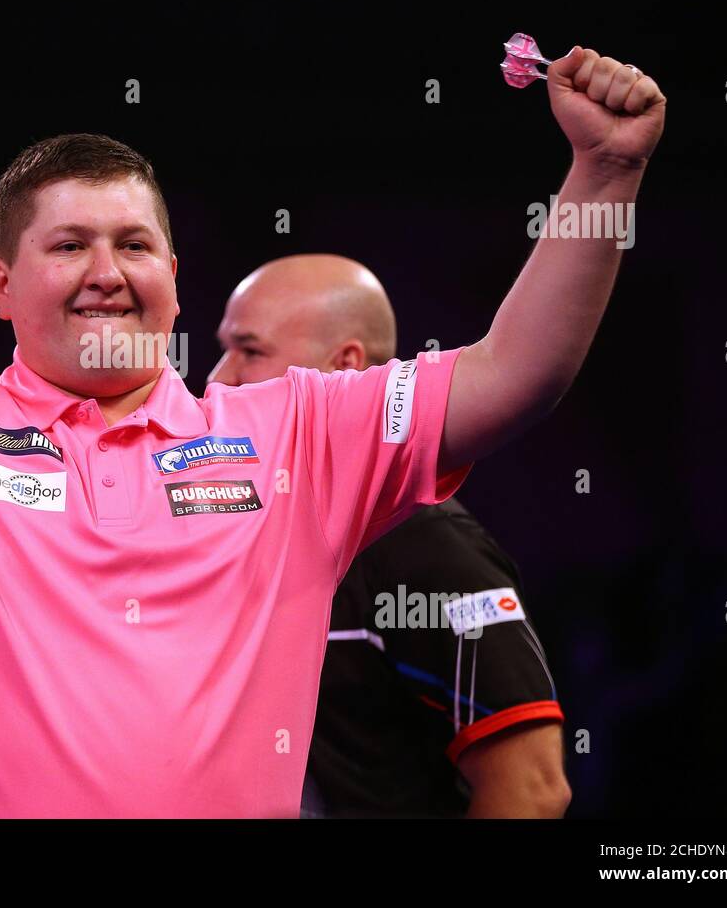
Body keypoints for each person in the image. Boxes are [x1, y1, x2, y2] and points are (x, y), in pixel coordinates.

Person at [0, 0, 665, 817]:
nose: (106, 269)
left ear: (175, 275)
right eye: (69, 244)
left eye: (135, 243)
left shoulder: (295, 433)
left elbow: (515, 372)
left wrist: (604, 173)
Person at [209, 255, 569, 817]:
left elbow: (532, 790)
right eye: (225, 348)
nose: (218, 378)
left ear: (343, 365)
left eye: (250, 351)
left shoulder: (432, 550)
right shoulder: (243, 534)